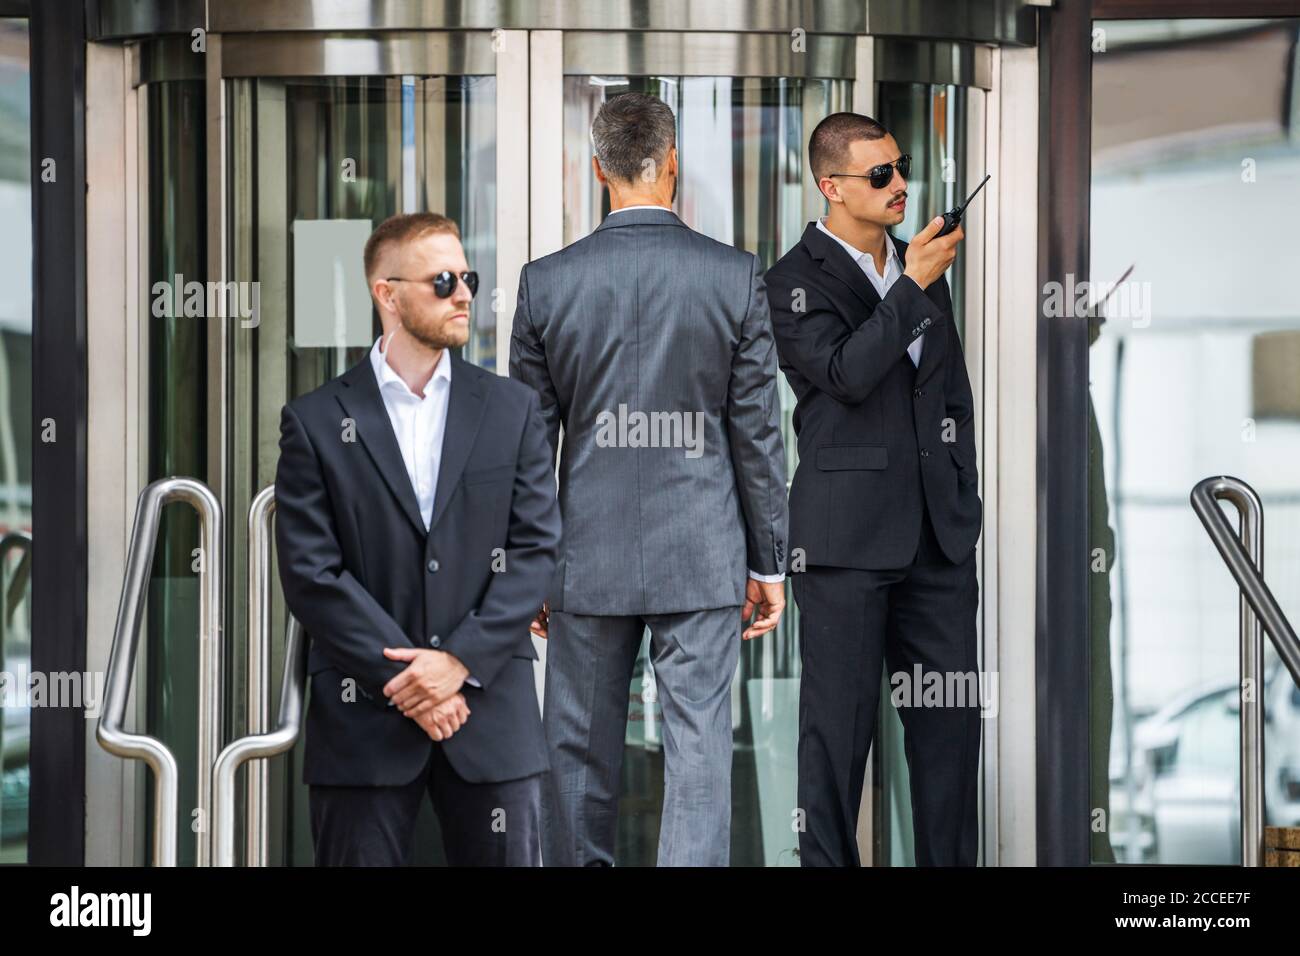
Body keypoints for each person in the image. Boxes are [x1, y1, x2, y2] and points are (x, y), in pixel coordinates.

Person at [510, 91, 789, 866]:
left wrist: (529, 559)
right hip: (702, 553)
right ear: (672, 165)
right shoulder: (733, 277)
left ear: (598, 169)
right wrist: (768, 561)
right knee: (697, 753)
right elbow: (757, 433)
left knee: (575, 755)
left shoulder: (545, 282)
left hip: (583, 556)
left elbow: (529, 444)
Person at [274, 212, 561, 866]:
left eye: (468, 277)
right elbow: (312, 574)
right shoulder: (316, 422)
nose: (464, 293)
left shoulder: (512, 409)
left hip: (491, 714)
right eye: (442, 280)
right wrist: (405, 679)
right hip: (363, 722)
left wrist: (456, 664)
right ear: (387, 293)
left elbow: (537, 548)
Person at [764, 112, 982, 866]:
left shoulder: (916, 268)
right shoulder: (791, 282)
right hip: (846, 540)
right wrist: (915, 285)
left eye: (902, 167)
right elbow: (846, 375)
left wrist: (963, 488)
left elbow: (949, 393)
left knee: (951, 737)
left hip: (938, 540)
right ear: (831, 187)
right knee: (837, 737)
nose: (900, 185)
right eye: (879, 174)